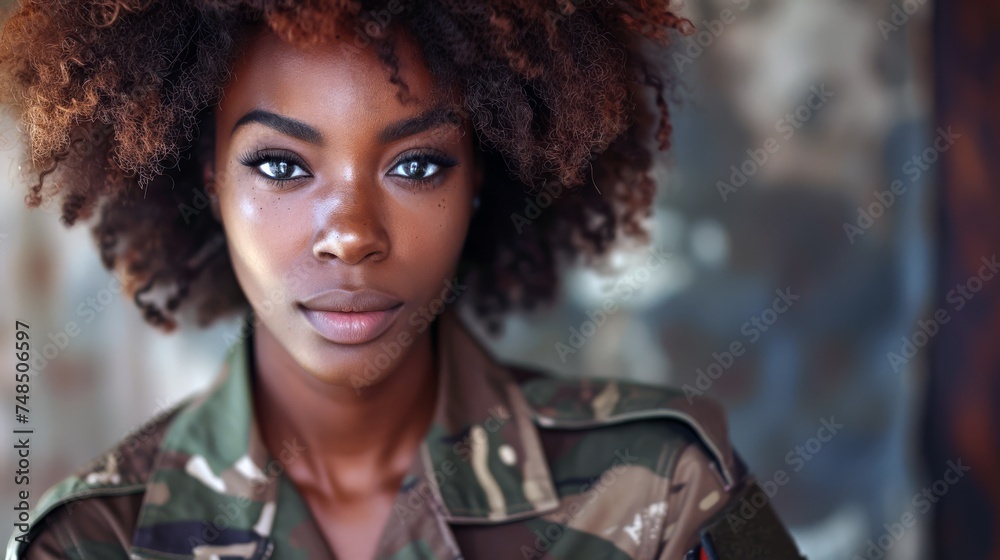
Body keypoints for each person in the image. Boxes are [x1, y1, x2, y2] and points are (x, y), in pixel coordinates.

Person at [0, 1, 803, 558]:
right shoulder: (93, 543)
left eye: (417, 165)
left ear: (480, 177)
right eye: (281, 165)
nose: (352, 234)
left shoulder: (660, 493)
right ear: (209, 179)